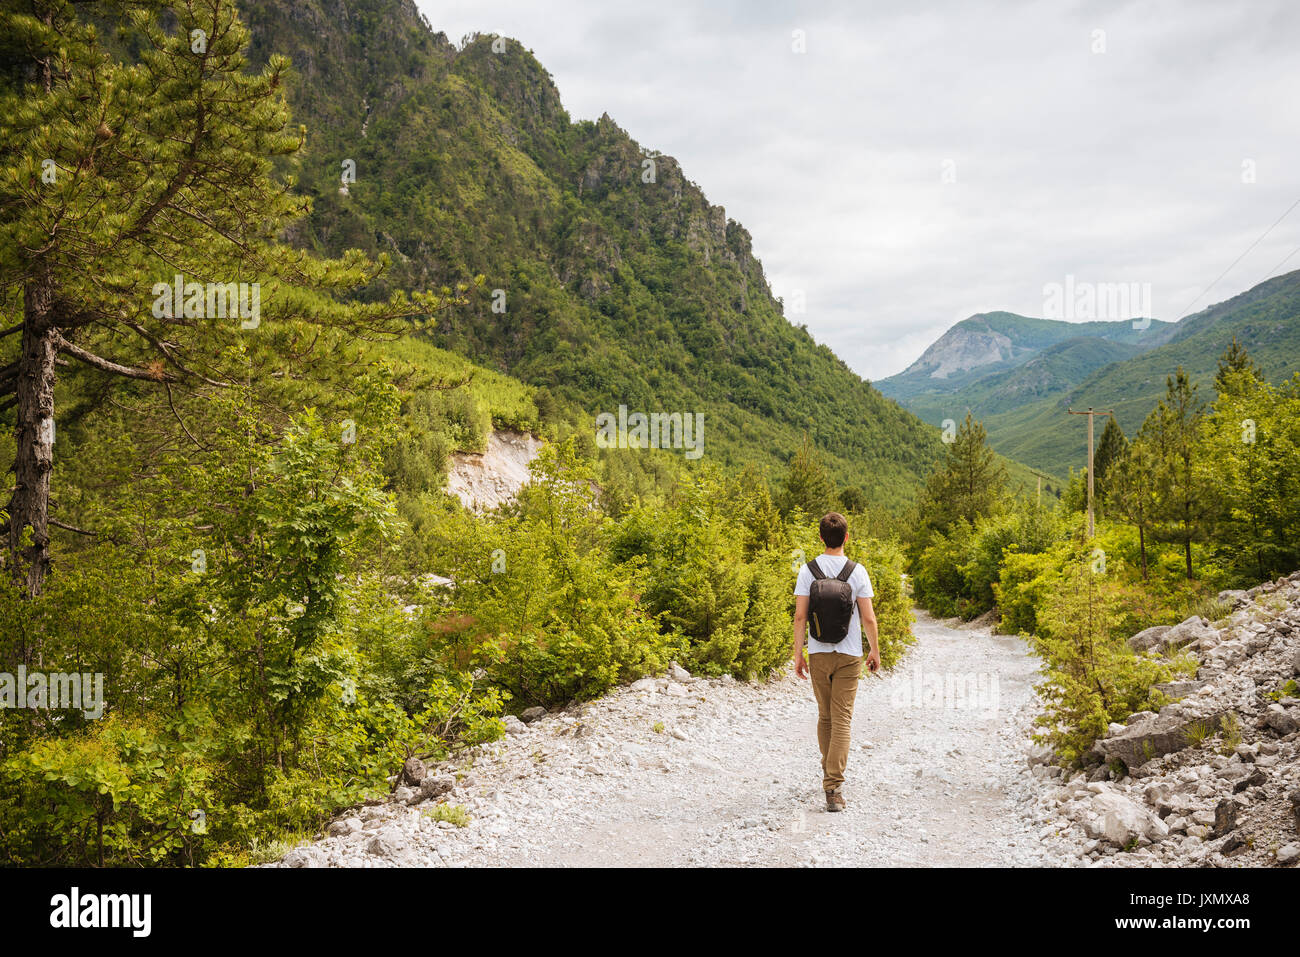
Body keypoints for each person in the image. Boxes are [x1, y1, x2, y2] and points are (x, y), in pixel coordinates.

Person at [792, 511, 880, 812]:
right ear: (846, 537)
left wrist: (797, 654)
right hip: (849, 653)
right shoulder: (857, 571)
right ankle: (833, 787)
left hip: (818, 653)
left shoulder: (807, 570)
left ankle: (828, 772)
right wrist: (874, 650)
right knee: (842, 718)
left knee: (825, 715)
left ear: (820, 538)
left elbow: (800, 616)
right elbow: (868, 617)